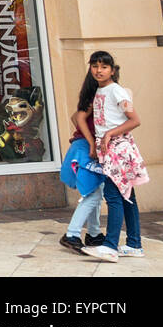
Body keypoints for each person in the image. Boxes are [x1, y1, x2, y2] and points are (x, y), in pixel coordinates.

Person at [79, 51, 148, 262]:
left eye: (104, 67)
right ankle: (134, 244)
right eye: (95, 66)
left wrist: (109, 133)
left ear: (112, 70)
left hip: (118, 149)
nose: (98, 70)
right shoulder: (99, 91)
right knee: (127, 196)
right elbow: (81, 116)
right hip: (108, 149)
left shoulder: (116, 91)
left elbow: (134, 120)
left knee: (113, 196)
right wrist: (95, 142)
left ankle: (110, 246)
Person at [59, 86, 105, 253]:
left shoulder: (103, 95)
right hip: (85, 150)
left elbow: (75, 117)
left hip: (87, 148)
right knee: (93, 194)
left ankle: (94, 234)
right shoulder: (96, 96)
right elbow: (77, 117)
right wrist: (89, 139)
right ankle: (71, 235)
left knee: (96, 190)